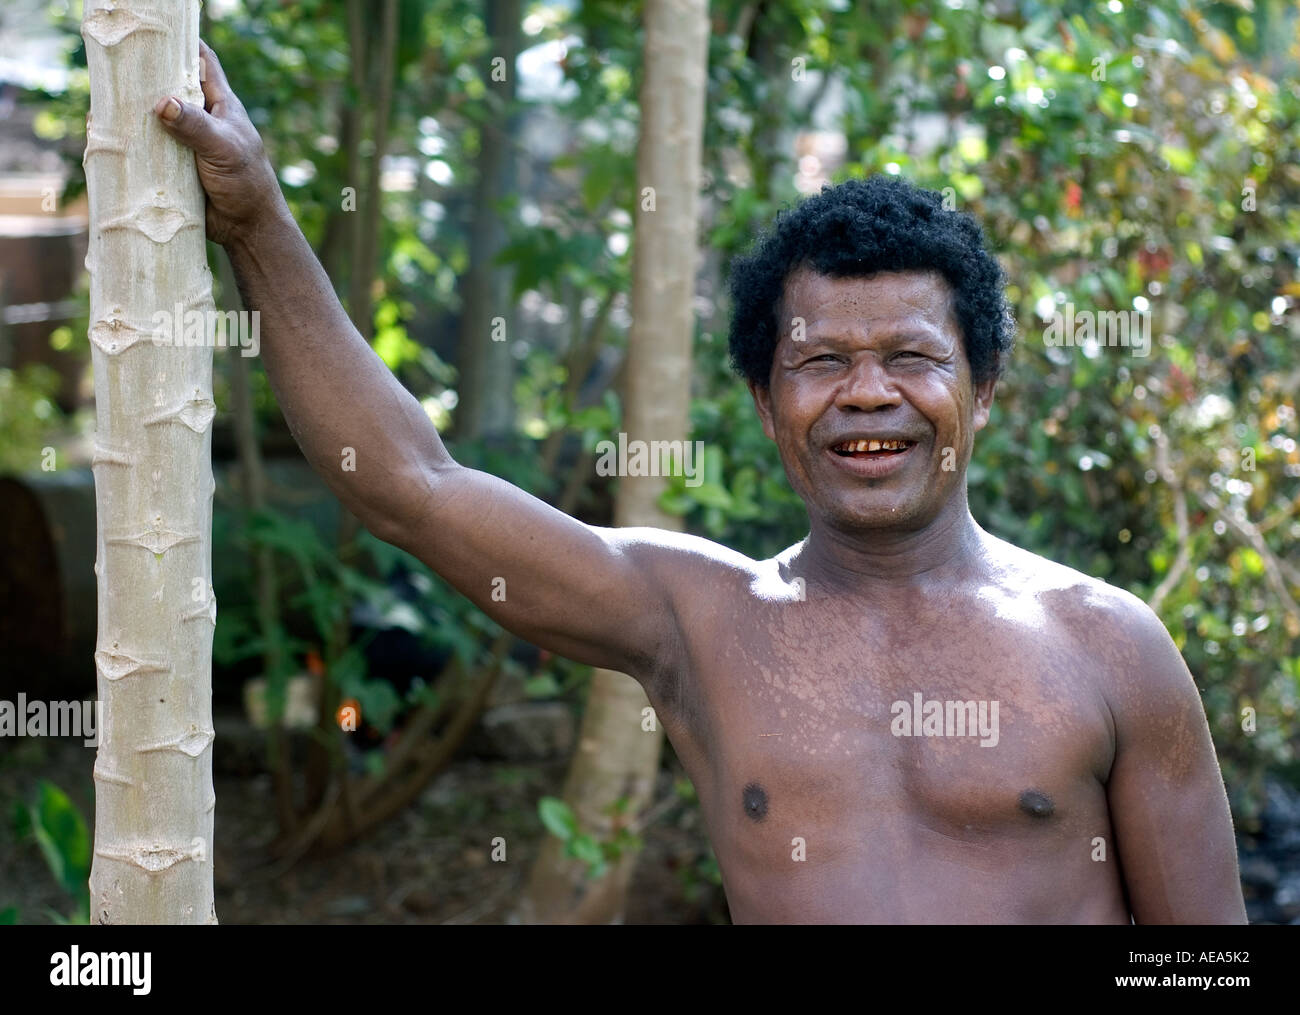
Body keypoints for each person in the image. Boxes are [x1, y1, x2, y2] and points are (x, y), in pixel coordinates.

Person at [152, 41, 1247, 923]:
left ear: (985, 391)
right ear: (769, 408)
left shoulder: (1107, 647)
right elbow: (409, 483)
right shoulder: (698, 620)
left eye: (911, 358)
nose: (868, 395)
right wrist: (253, 216)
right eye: (822, 362)